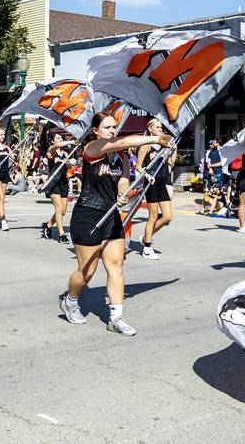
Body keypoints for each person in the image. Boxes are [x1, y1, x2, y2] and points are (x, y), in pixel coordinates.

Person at [60, 112, 172, 336]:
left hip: (111, 215)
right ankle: (71, 300)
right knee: (87, 272)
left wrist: (125, 195)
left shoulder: (121, 156)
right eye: (107, 127)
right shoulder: (92, 148)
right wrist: (154, 139)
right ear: (96, 130)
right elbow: (121, 141)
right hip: (87, 215)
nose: (112, 131)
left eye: (114, 127)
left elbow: (123, 181)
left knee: (116, 266)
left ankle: (116, 317)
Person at [137, 119, 176, 258]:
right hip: (151, 182)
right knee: (153, 216)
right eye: (157, 127)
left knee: (167, 217)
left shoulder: (164, 145)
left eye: (161, 127)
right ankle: (147, 248)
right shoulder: (146, 145)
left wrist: (173, 150)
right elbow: (138, 166)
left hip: (162, 181)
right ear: (150, 129)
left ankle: (146, 236)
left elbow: (171, 163)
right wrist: (147, 176)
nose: (160, 129)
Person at [42, 133, 78, 243]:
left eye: (61, 138)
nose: (60, 140)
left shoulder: (64, 153)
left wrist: (68, 163)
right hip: (53, 183)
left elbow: (70, 168)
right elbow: (55, 147)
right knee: (58, 208)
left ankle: (48, 225)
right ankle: (61, 235)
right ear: (52, 141)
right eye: (58, 138)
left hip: (63, 182)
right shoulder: (50, 151)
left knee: (62, 211)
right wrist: (71, 142)